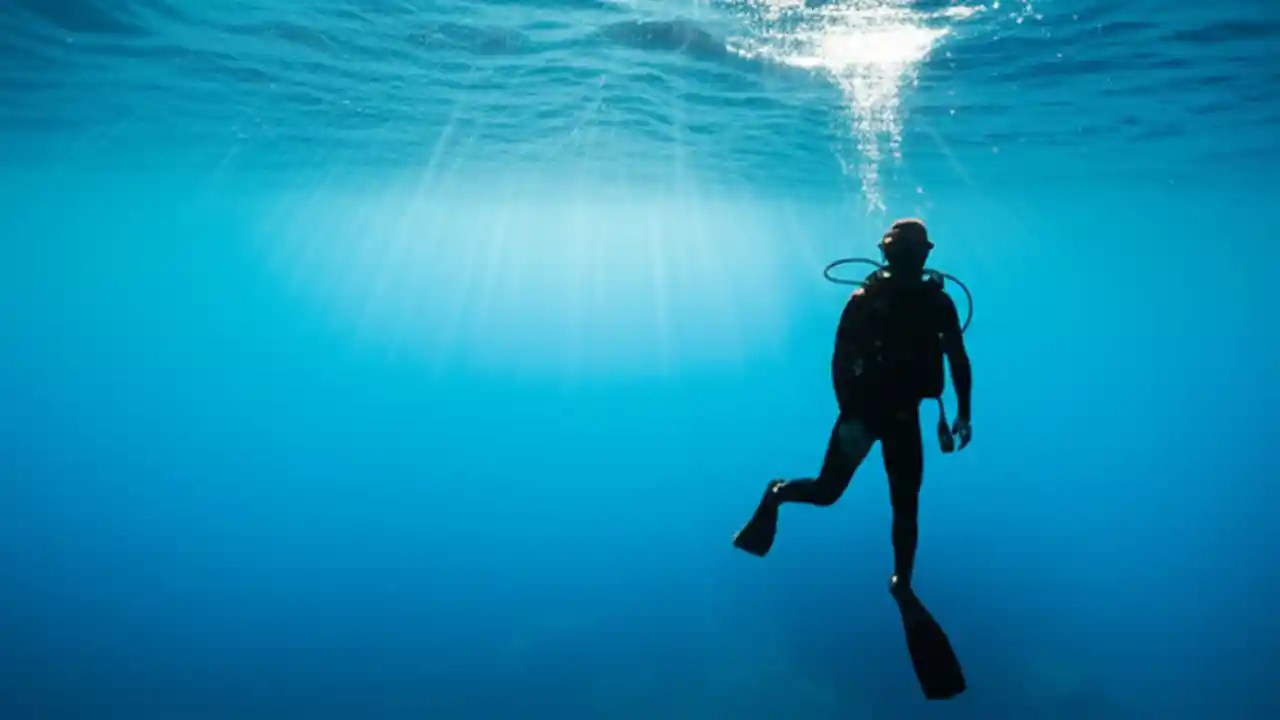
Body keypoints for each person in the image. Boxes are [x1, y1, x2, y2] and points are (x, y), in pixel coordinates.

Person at [733, 218, 973, 600]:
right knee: (829, 492)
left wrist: (964, 412)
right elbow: (840, 360)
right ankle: (776, 494)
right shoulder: (866, 302)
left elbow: (958, 359)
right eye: (900, 253)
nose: (905, 260)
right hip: (863, 412)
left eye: (908, 254)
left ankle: (903, 580)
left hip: (898, 415)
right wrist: (852, 413)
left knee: (906, 501)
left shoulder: (936, 303)